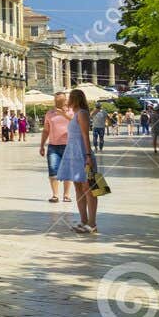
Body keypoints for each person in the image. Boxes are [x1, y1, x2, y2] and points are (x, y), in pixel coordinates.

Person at [59, 88, 99, 235]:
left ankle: (92, 223)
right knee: (78, 188)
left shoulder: (82, 113)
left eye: (70, 98)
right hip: (73, 154)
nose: (68, 100)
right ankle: (83, 220)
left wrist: (88, 155)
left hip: (82, 153)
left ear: (75, 99)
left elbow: (84, 135)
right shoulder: (75, 114)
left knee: (89, 188)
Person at [39, 92, 73, 204]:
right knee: (53, 170)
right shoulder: (50, 113)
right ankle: (55, 195)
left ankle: (67, 195)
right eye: (56, 101)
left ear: (65, 100)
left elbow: (76, 124)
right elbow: (46, 130)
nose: (58, 103)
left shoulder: (72, 112)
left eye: (60, 101)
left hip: (69, 145)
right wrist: (42, 145)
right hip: (53, 146)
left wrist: (63, 114)